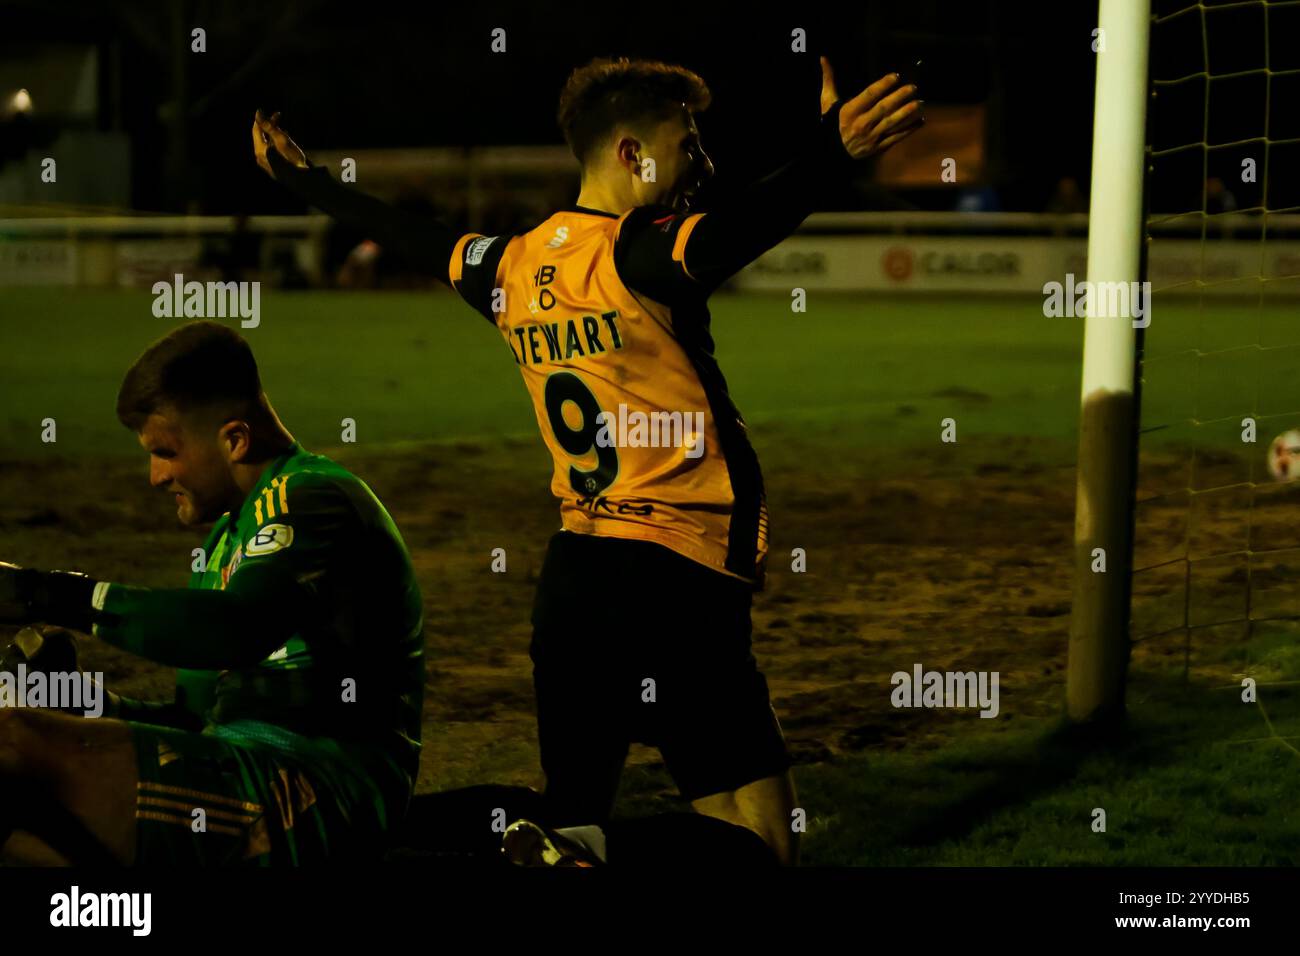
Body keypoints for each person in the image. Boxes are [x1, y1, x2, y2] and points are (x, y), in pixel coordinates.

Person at [252, 55, 922, 865]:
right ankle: (561, 851)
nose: (700, 162)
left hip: (574, 583)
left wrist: (311, 185)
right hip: (676, 581)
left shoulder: (506, 266)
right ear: (633, 154)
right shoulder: (641, 254)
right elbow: (747, 224)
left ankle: (480, 847)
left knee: (569, 818)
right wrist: (832, 153)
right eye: (688, 142)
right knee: (760, 843)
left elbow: (411, 236)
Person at [0, 320, 425, 865]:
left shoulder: (314, 497)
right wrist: (89, 706)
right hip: (244, 771)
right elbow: (196, 720)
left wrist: (42, 594)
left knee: (13, 745)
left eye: (165, 451)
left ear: (234, 439)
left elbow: (236, 628)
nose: (155, 476)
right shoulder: (229, 537)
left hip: (327, 790)